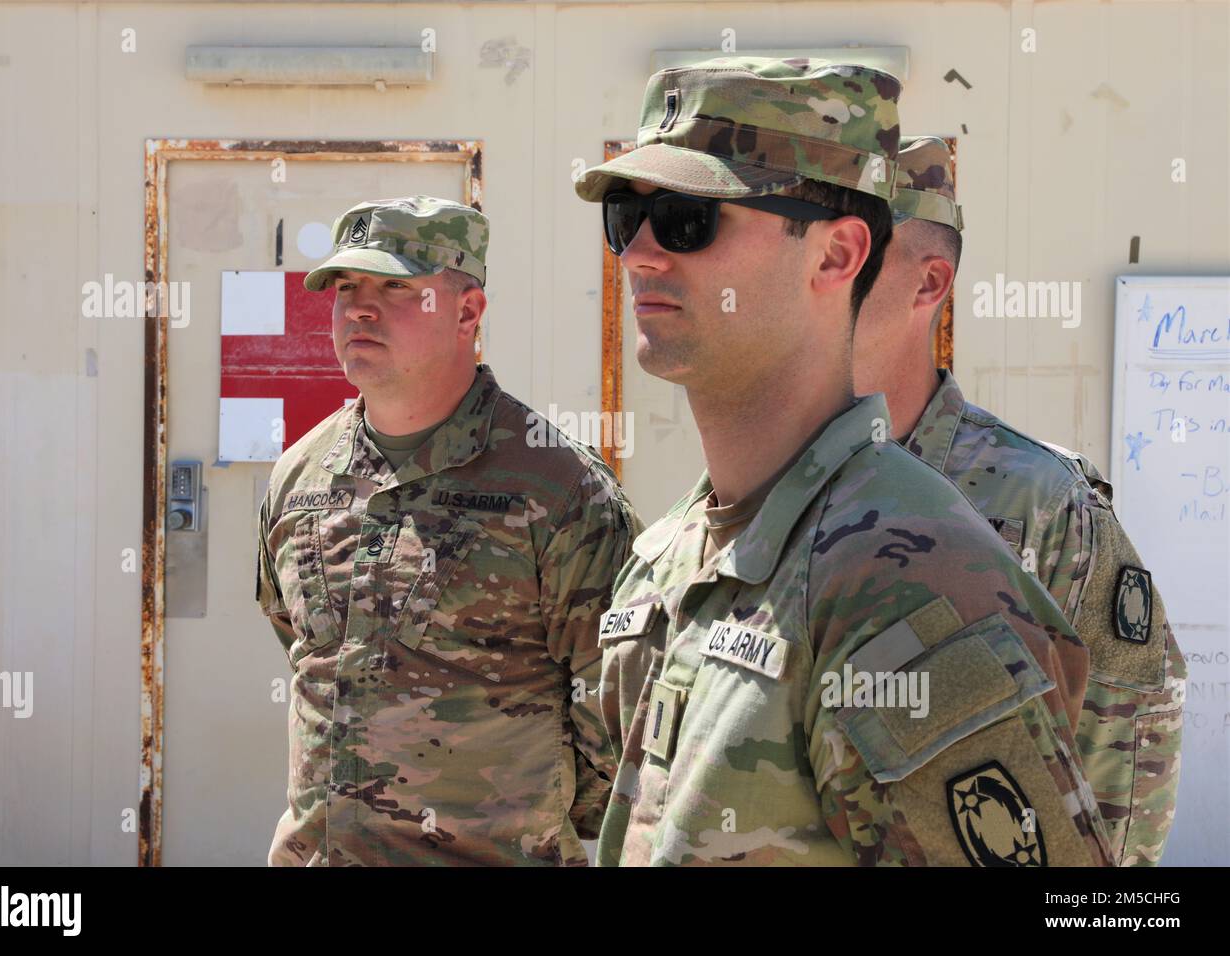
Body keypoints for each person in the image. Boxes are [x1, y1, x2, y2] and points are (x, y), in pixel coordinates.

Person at [574, 56, 1113, 866]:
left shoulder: (907, 580)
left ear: (836, 256)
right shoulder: (667, 562)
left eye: (690, 219)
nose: (641, 255)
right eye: (626, 217)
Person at [255, 195, 640, 865]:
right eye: (347, 288)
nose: (361, 309)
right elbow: (301, 646)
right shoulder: (301, 476)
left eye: (395, 287)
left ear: (467, 312)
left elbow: (612, 717)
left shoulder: (559, 491)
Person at [853, 136, 1186, 865]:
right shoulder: (762, 488)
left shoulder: (1043, 503)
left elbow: (1121, 772)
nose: (817, 276)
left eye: (853, 251)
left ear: (927, 283)